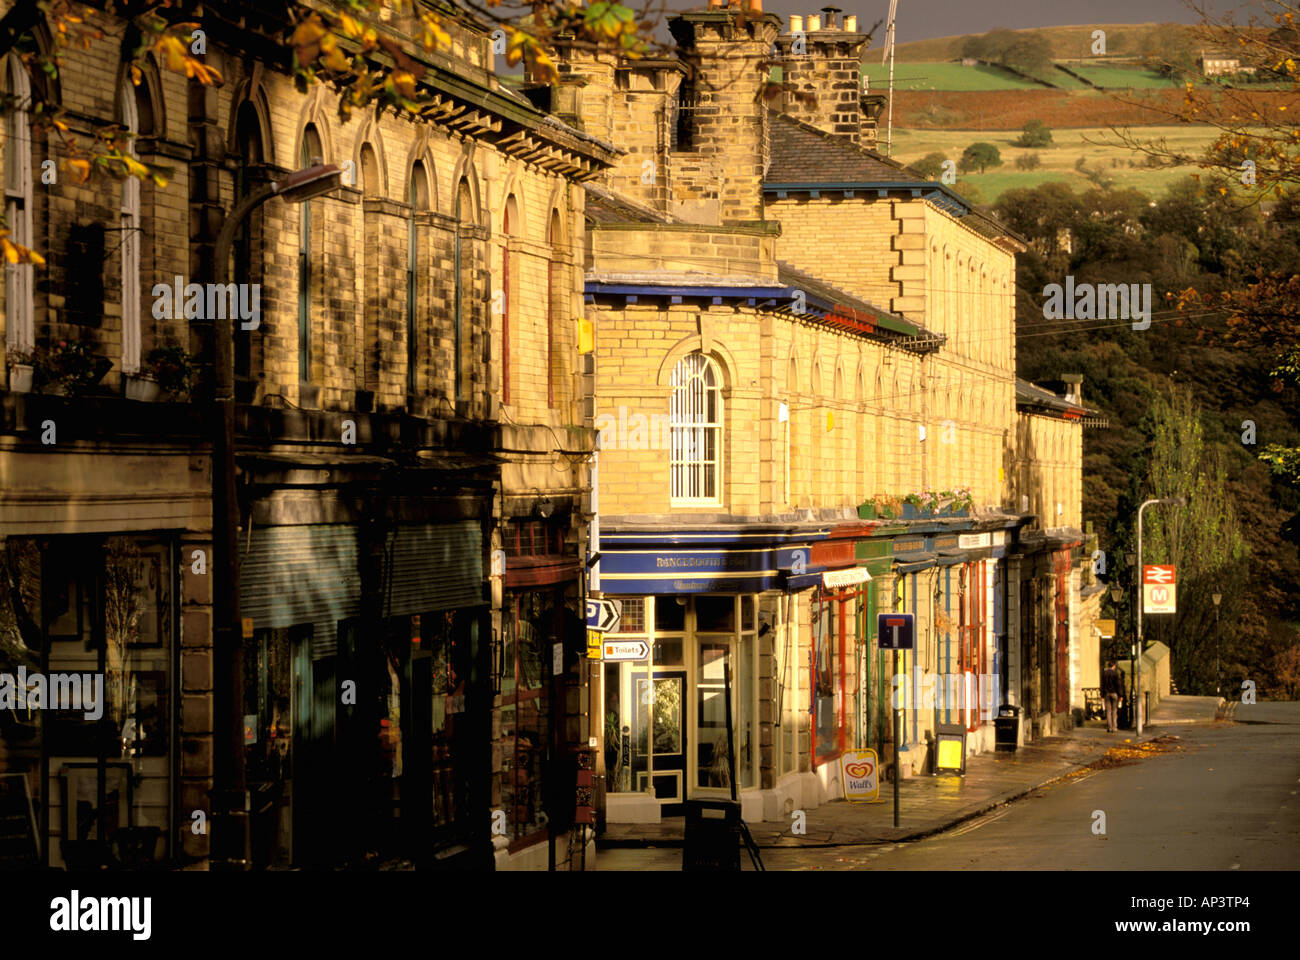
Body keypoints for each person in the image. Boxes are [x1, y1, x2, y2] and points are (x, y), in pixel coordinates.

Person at [1101, 660, 1123, 732]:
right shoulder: (1115, 674)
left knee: (1108, 711)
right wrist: (1121, 695)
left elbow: (1102, 685)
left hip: (1107, 694)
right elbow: (1118, 685)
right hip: (1114, 693)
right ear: (1114, 666)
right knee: (1114, 711)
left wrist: (1102, 695)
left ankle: (1109, 727)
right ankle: (1114, 727)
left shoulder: (1104, 673)